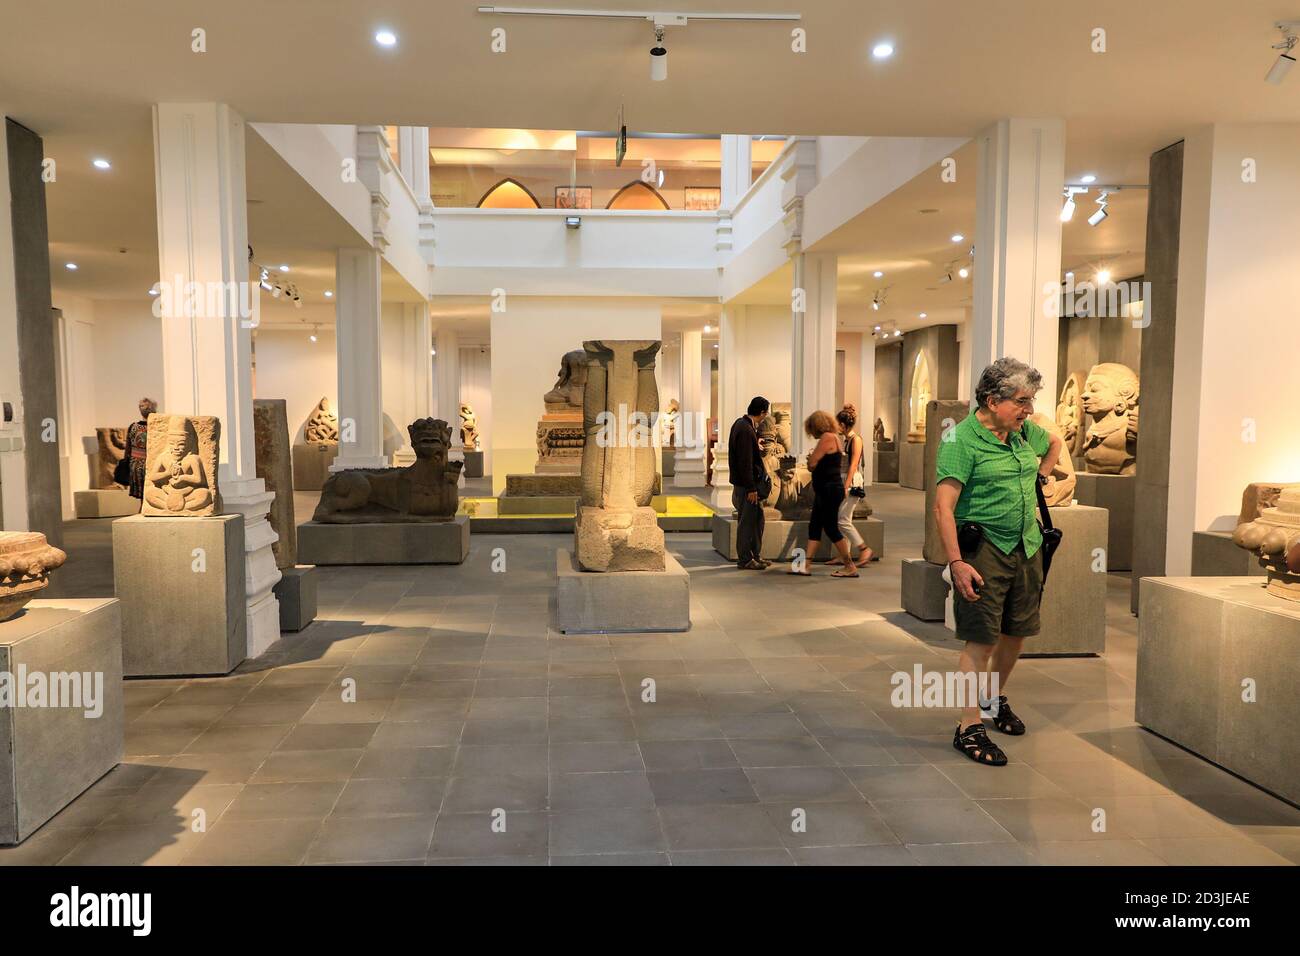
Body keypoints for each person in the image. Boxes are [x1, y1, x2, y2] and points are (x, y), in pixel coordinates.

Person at [934, 357, 1063, 767]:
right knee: (982, 638)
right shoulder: (960, 441)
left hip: (1027, 546)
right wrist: (956, 563)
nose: (1029, 410)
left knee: (1017, 632)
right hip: (984, 549)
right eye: (1022, 401)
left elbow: (1055, 443)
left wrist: (1040, 474)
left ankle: (990, 699)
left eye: (1030, 401)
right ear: (992, 400)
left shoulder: (1023, 432)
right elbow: (943, 507)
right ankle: (968, 725)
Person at [789, 410, 859, 578]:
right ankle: (806, 565)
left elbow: (812, 463)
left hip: (828, 490)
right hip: (828, 489)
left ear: (816, 426)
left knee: (831, 528)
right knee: (815, 526)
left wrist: (810, 460)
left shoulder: (827, 438)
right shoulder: (835, 437)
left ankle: (849, 566)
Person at [827, 403, 874, 568]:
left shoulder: (856, 439)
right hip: (847, 480)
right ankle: (844, 555)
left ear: (842, 424)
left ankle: (864, 548)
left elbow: (854, 465)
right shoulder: (848, 439)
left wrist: (846, 486)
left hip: (852, 482)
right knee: (843, 518)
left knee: (842, 520)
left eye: (837, 423)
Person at [727, 396, 771, 571]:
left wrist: (756, 440)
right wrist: (751, 488)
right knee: (747, 523)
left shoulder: (743, 425)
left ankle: (755, 555)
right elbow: (745, 462)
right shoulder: (745, 429)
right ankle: (745, 559)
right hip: (747, 487)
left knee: (757, 521)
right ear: (762, 413)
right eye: (766, 413)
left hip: (746, 485)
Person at [124, 397, 157, 501]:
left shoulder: (133, 426)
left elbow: (128, 447)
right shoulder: (156, 427)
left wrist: (126, 460)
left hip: (135, 463)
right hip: (150, 463)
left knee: (143, 492)